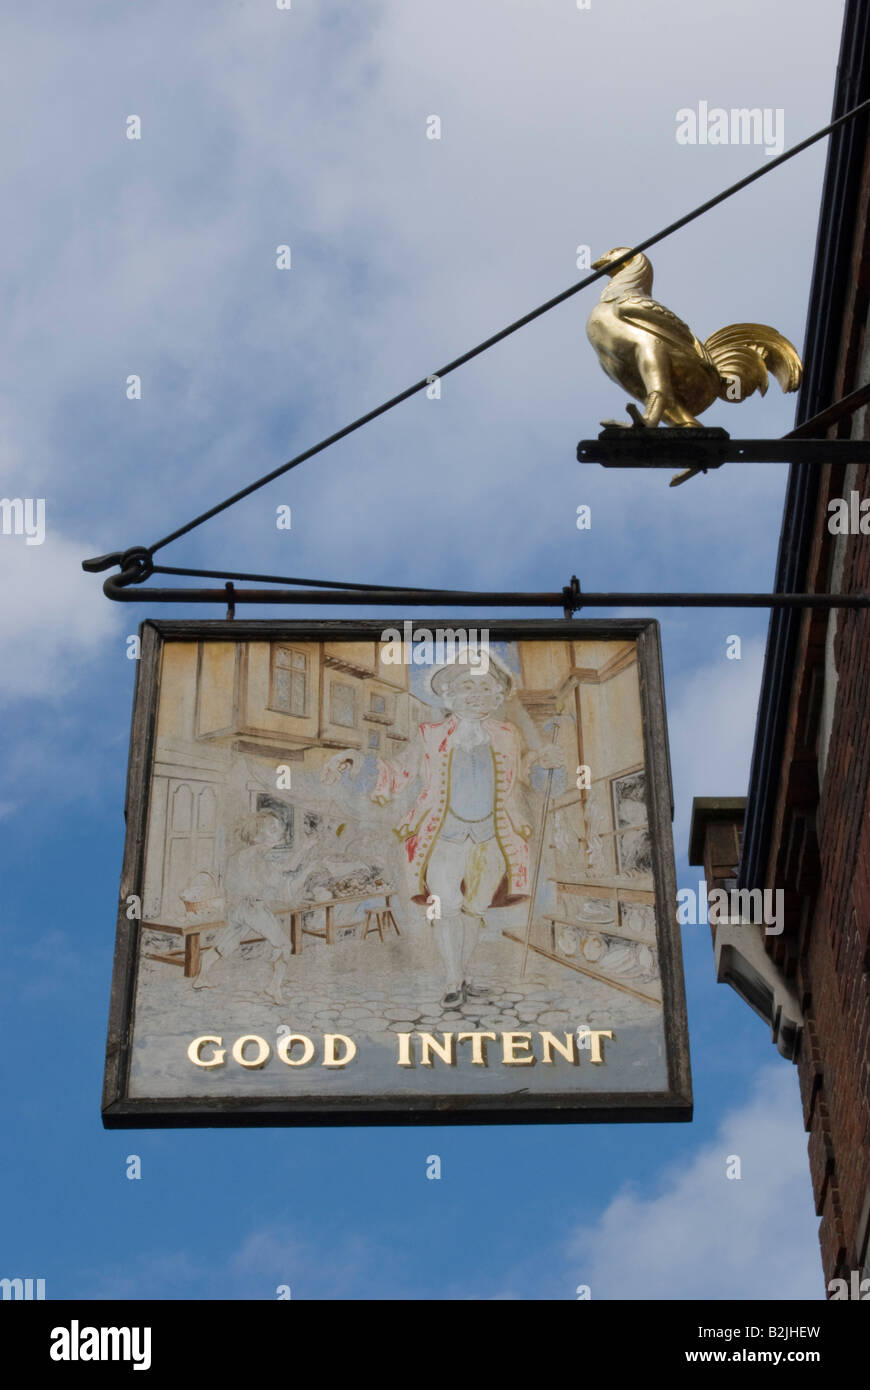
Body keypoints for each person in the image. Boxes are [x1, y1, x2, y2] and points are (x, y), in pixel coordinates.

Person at [323, 651, 562, 1007]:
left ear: (497, 695)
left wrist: (543, 761)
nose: (477, 694)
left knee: (474, 911)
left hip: (493, 839)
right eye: (467, 686)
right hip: (443, 837)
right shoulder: (430, 735)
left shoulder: (507, 735)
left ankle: (462, 975)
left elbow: (523, 775)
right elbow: (399, 771)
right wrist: (358, 762)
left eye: (485, 687)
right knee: (447, 906)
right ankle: (453, 979)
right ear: (450, 694)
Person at [192, 810, 293, 1004]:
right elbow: (272, 881)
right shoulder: (258, 854)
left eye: (279, 828)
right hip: (253, 907)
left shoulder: (238, 856)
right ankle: (274, 987)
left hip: (236, 908)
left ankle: (201, 978)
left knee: (225, 944)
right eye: (273, 829)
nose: (280, 832)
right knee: (284, 945)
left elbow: (234, 885)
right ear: (256, 837)